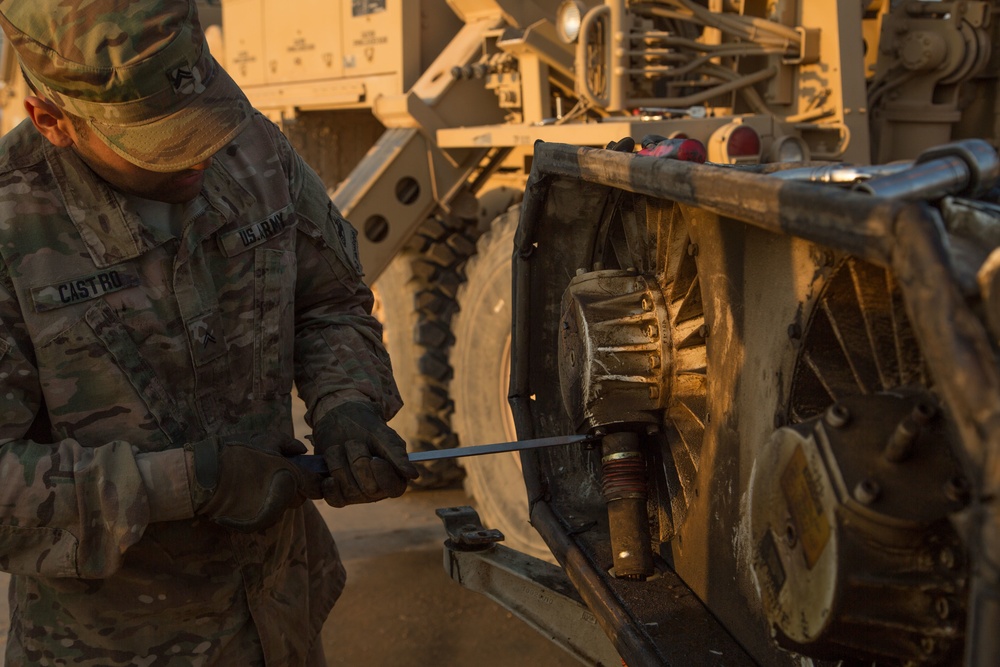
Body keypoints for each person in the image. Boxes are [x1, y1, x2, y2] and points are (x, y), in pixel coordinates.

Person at [0, 0, 418, 664]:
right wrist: (188, 484)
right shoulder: (12, 228)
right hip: (117, 646)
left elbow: (329, 300)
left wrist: (347, 403)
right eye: (163, 140)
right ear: (52, 121)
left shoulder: (253, 151)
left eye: (203, 118)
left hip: (279, 619)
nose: (201, 152)